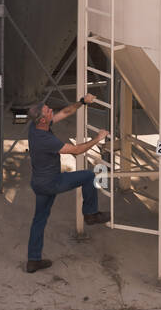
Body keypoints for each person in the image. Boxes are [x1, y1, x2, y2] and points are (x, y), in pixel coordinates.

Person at [24, 94, 108, 273]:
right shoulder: (46, 140)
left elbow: (65, 112)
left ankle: (33, 260)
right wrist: (98, 138)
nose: (51, 110)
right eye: (48, 110)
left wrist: (82, 102)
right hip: (51, 182)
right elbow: (77, 151)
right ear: (43, 119)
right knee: (89, 176)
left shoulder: (36, 126)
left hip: (38, 183)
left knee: (39, 220)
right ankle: (91, 214)